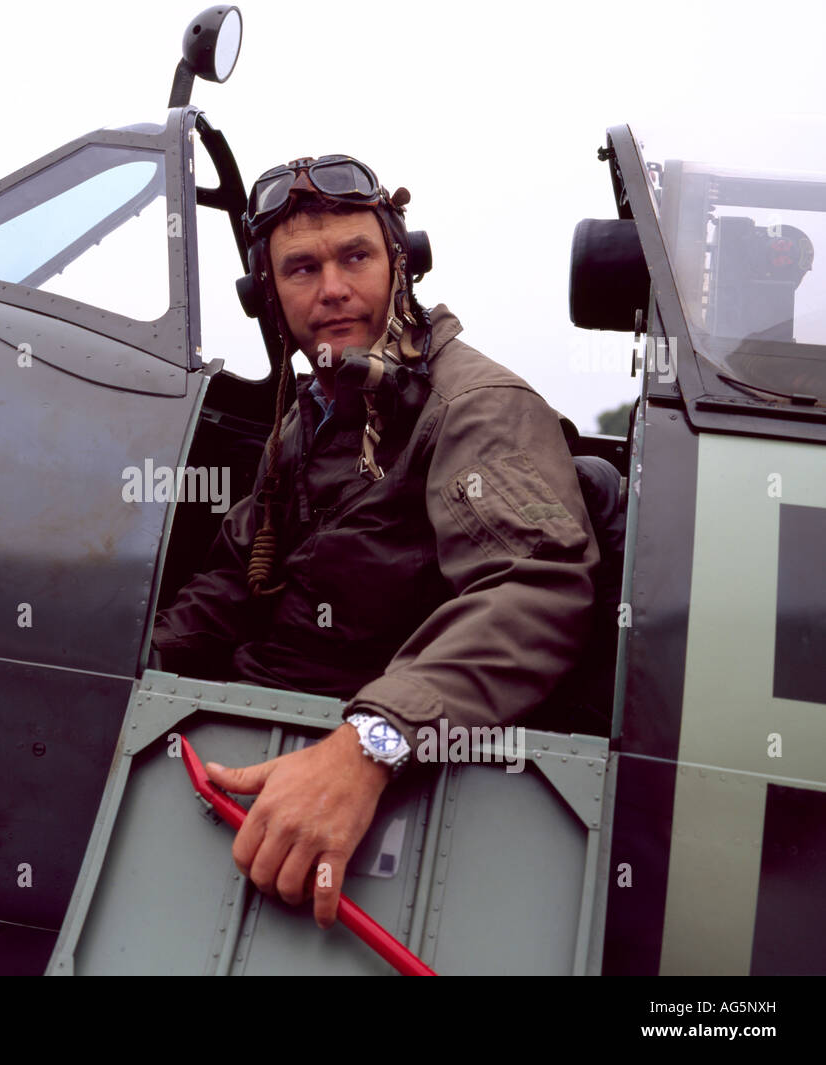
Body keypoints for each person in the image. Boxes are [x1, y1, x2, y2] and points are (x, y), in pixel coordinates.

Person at [149, 155, 600, 931]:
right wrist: (135, 666)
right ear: (268, 295)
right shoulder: (308, 420)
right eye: (301, 268)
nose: (331, 288)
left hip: (370, 765)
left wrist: (371, 743)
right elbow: (227, 581)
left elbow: (532, 590)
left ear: (400, 266)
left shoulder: (472, 407)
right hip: (261, 733)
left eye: (355, 256)